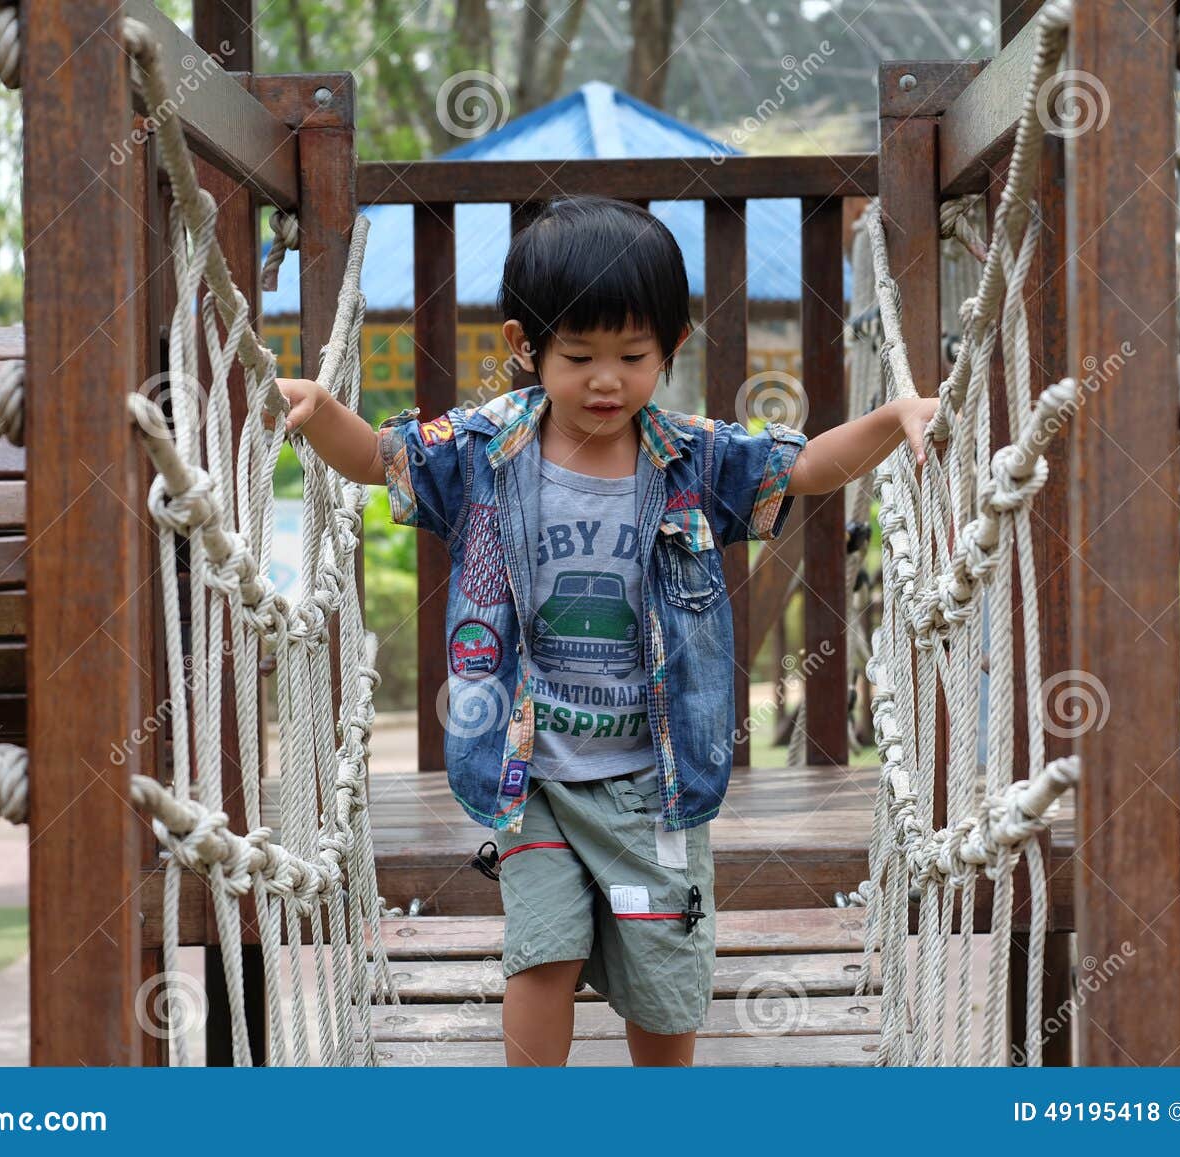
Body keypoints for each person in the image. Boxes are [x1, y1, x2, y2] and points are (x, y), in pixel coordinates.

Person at [270, 195, 939, 1067]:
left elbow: (803, 465)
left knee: (663, 982)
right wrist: (319, 406)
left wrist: (893, 420)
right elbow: (376, 459)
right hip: (533, 773)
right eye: (579, 356)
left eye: (632, 356)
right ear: (524, 347)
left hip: (651, 782)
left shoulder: (694, 460)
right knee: (542, 950)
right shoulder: (482, 453)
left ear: (671, 348)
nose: (606, 382)